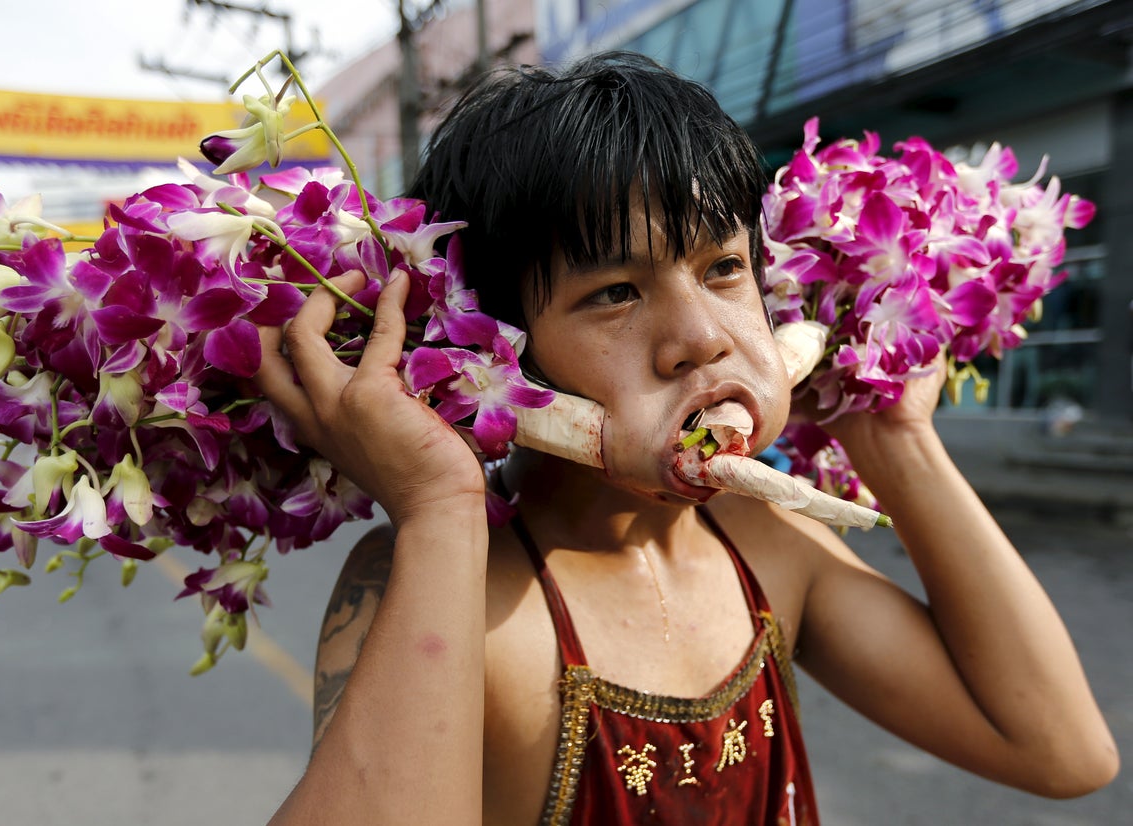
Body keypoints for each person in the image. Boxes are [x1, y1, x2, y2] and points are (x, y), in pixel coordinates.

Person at [255, 52, 1118, 825]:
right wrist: (438, 512)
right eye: (615, 294)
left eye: (723, 268)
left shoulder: (772, 551)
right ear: (488, 345)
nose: (699, 337)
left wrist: (891, 432)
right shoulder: (453, 586)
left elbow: (1060, 751)